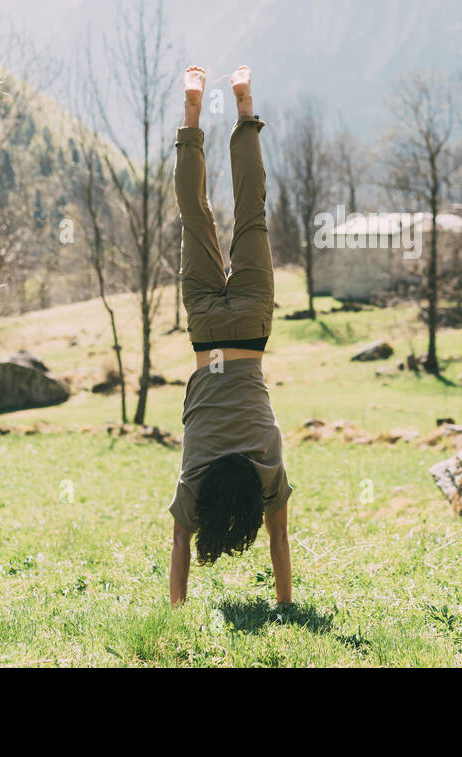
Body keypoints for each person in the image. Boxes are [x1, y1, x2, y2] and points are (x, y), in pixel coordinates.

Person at [168, 64, 292, 607]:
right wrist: (175, 606)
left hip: (250, 325)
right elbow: (178, 543)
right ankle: (191, 116)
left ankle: (244, 108)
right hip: (204, 332)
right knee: (194, 218)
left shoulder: (267, 467)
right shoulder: (194, 476)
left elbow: (280, 539)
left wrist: (286, 601)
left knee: (250, 215)